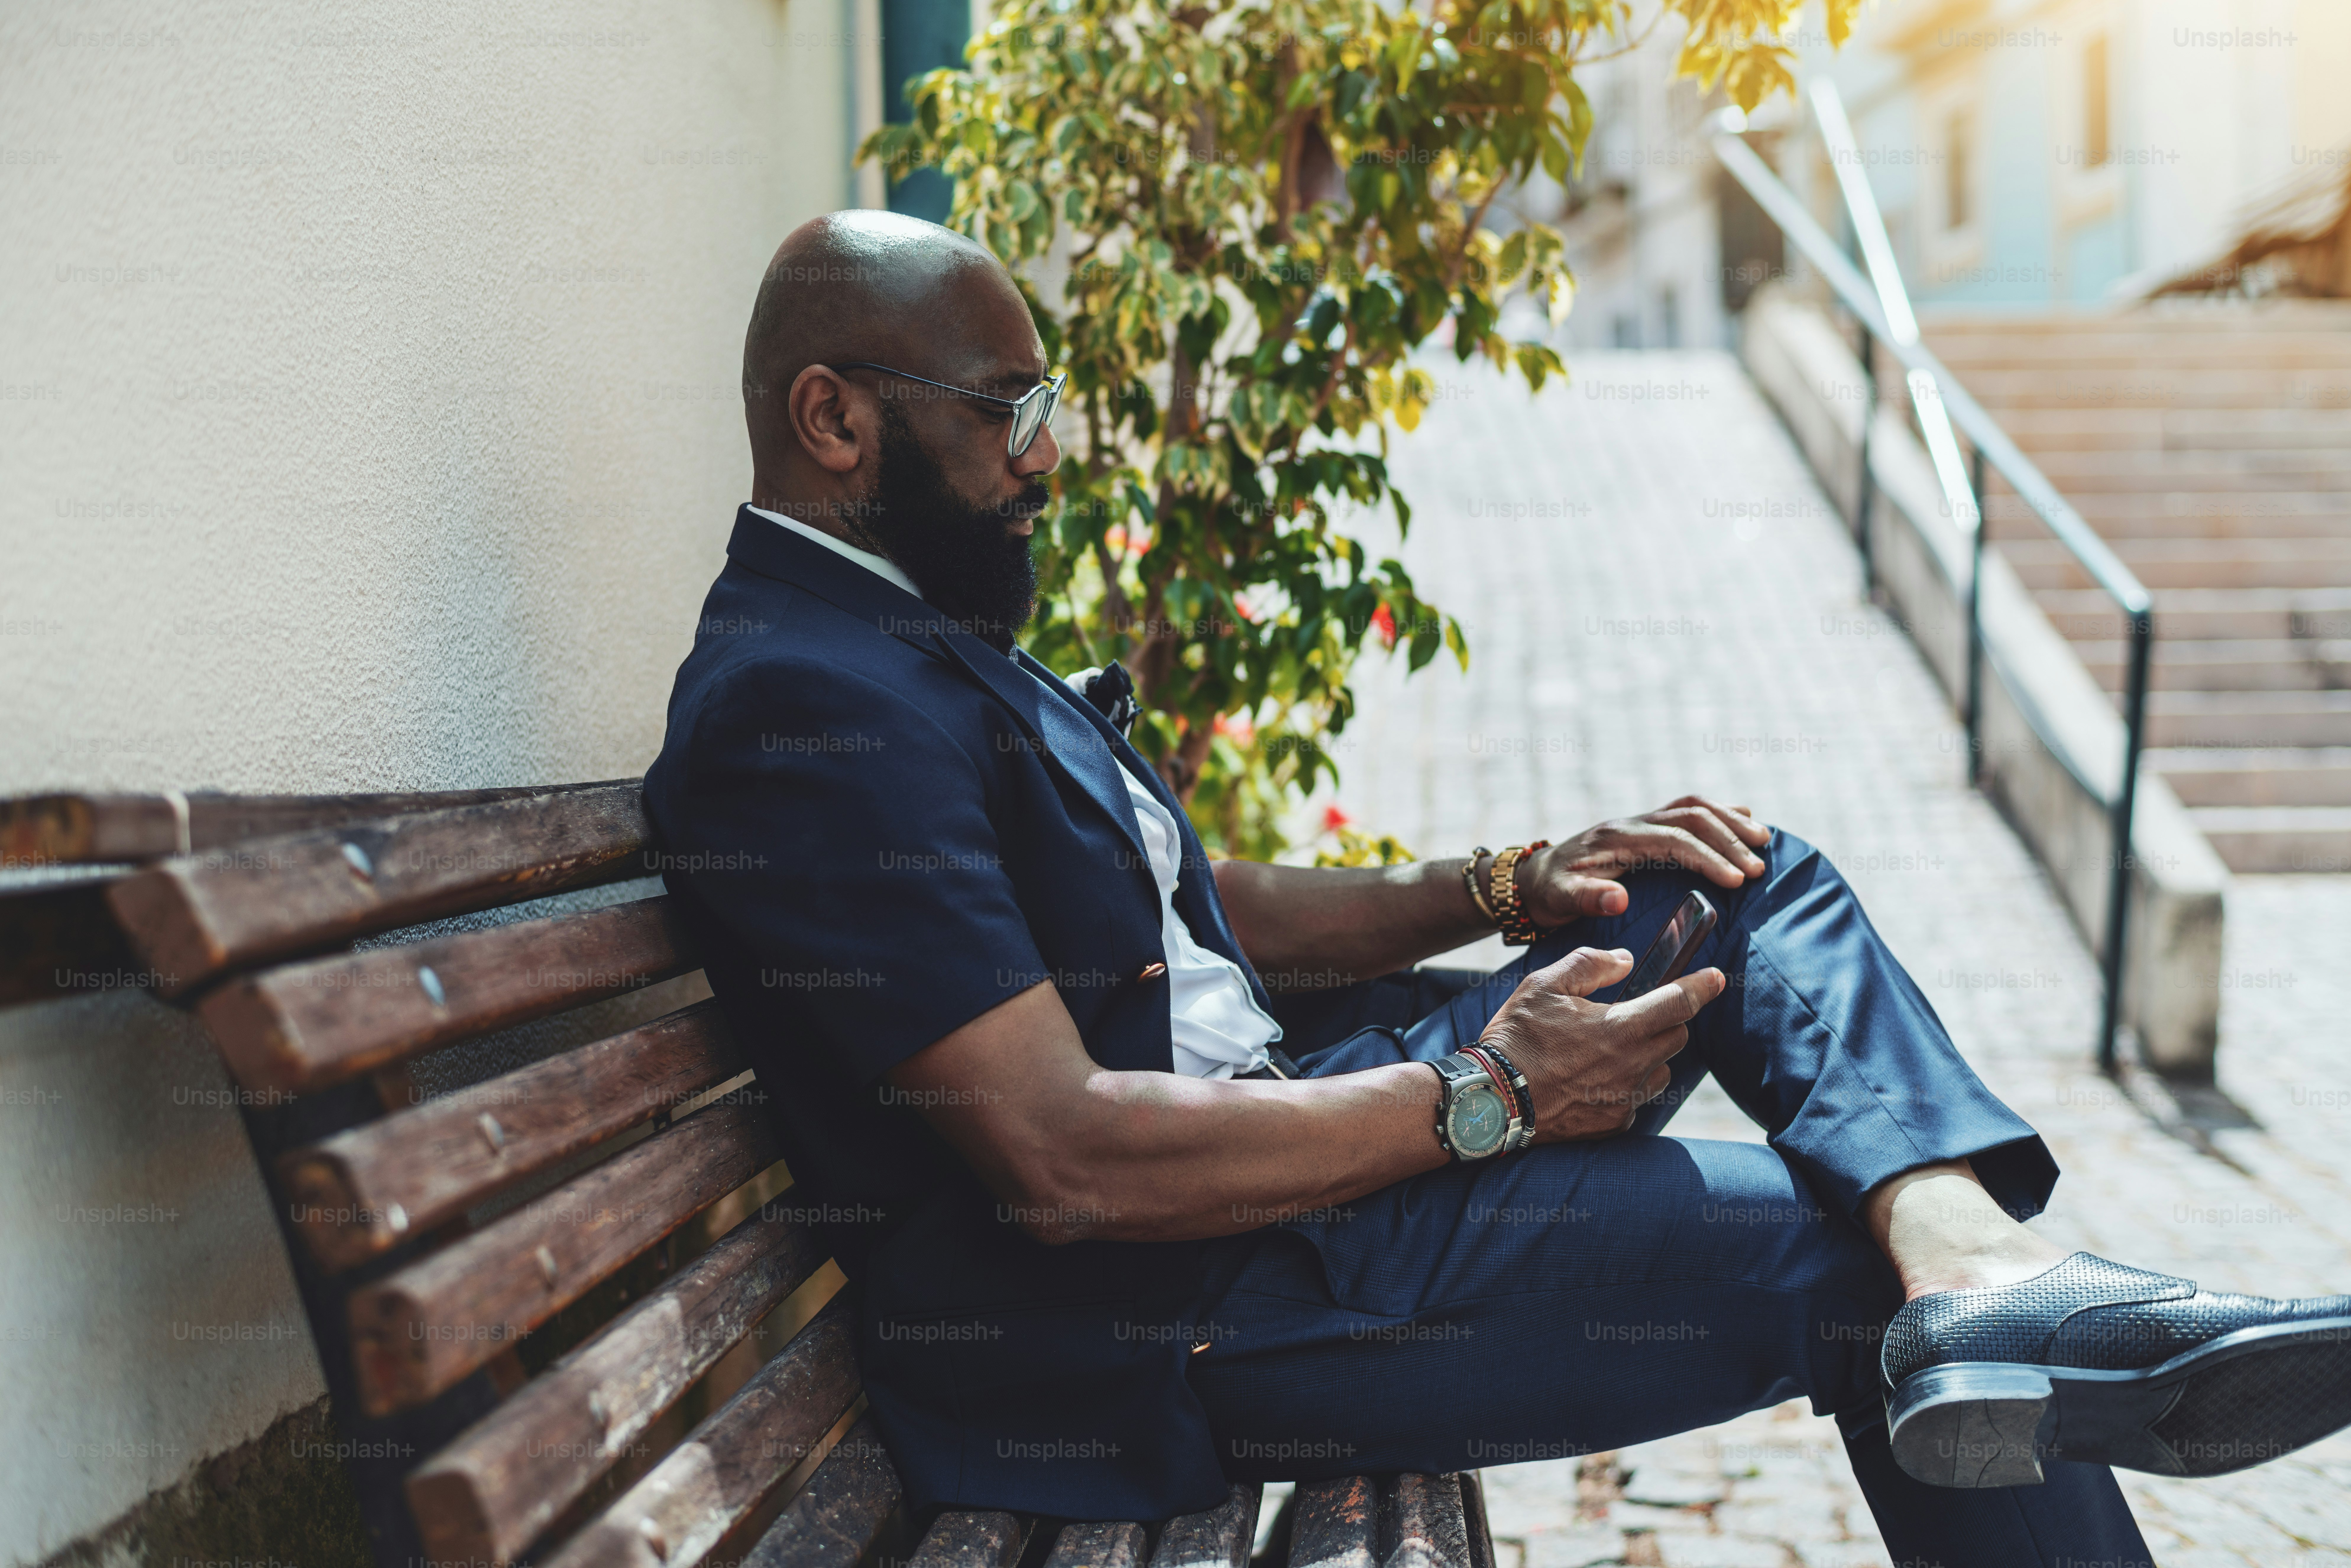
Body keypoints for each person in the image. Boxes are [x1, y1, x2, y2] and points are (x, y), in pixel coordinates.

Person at [642, 211, 2351, 1568]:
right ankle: (1954, 1292)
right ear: (833, 415)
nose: (1047, 454)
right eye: (1008, 411)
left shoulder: (916, 645)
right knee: (1857, 1284)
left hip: (1288, 1157)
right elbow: (1065, 1157)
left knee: (1737, 878)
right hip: (1179, 1311)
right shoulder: (806, 706)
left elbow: (1196, 904)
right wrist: (1485, 1096)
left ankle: (1970, 1249)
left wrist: (1512, 882)